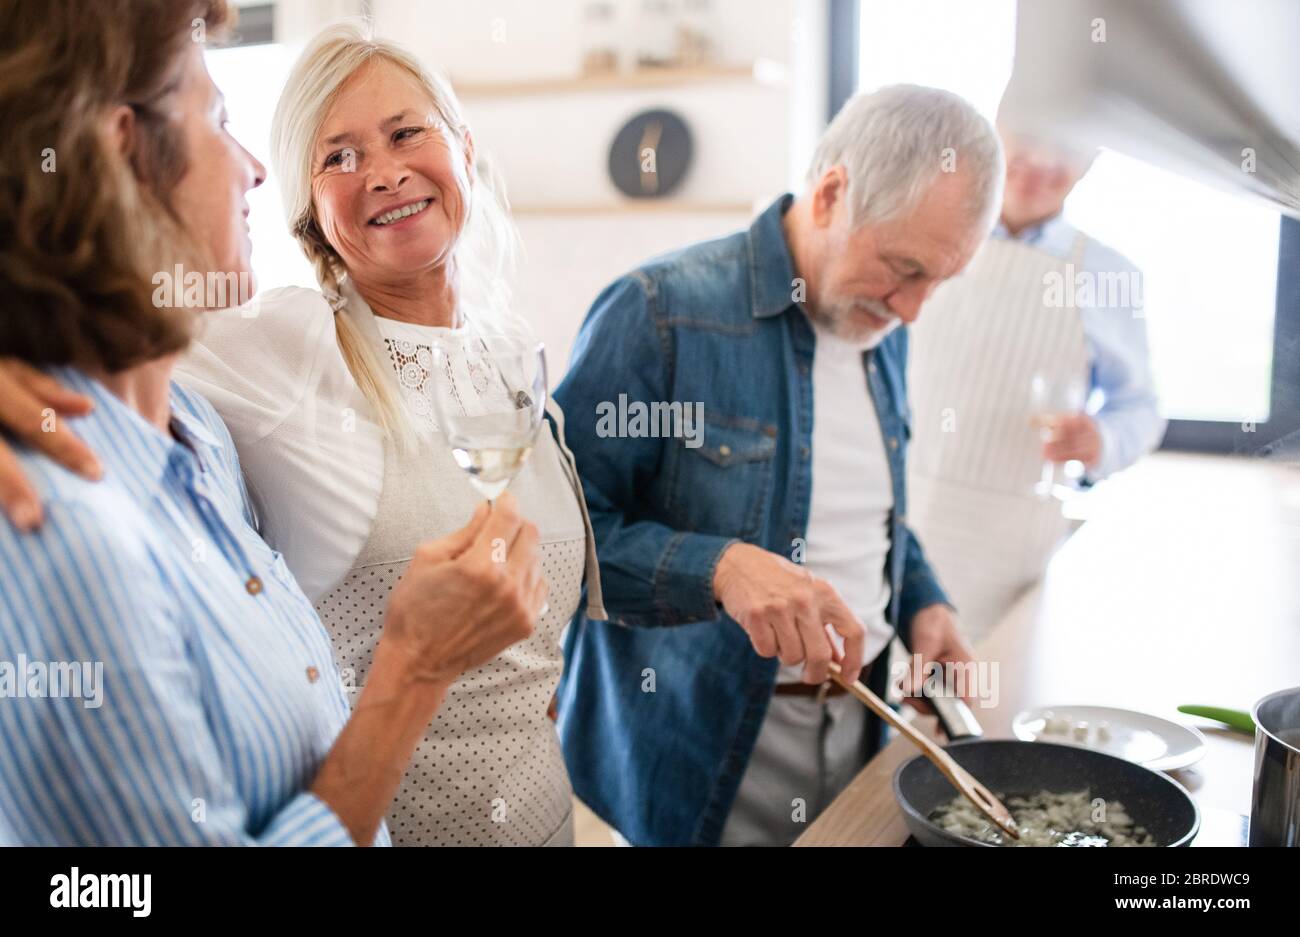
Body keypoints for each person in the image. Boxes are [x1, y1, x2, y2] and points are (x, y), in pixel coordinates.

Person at [0, 0, 545, 846]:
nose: (253, 168)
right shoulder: (65, 531)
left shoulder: (198, 442)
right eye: (218, 117)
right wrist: (411, 672)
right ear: (120, 154)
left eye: (409, 134)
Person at [553, 85, 1004, 846]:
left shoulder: (880, 324)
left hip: (861, 718)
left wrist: (925, 598)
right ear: (831, 192)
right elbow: (550, 545)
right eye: (904, 268)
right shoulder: (660, 313)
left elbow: (861, 507)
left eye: (937, 281)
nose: (914, 309)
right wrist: (720, 567)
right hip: (698, 748)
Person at [905, 126, 1165, 641]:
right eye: (1026, 140)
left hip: (1014, 549)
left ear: (1092, 160)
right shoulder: (924, 238)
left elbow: (1140, 407)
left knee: (983, 701)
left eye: (1066, 147)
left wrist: (1102, 438)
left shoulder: (1108, 275)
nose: (1041, 161)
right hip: (899, 518)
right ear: (992, 137)